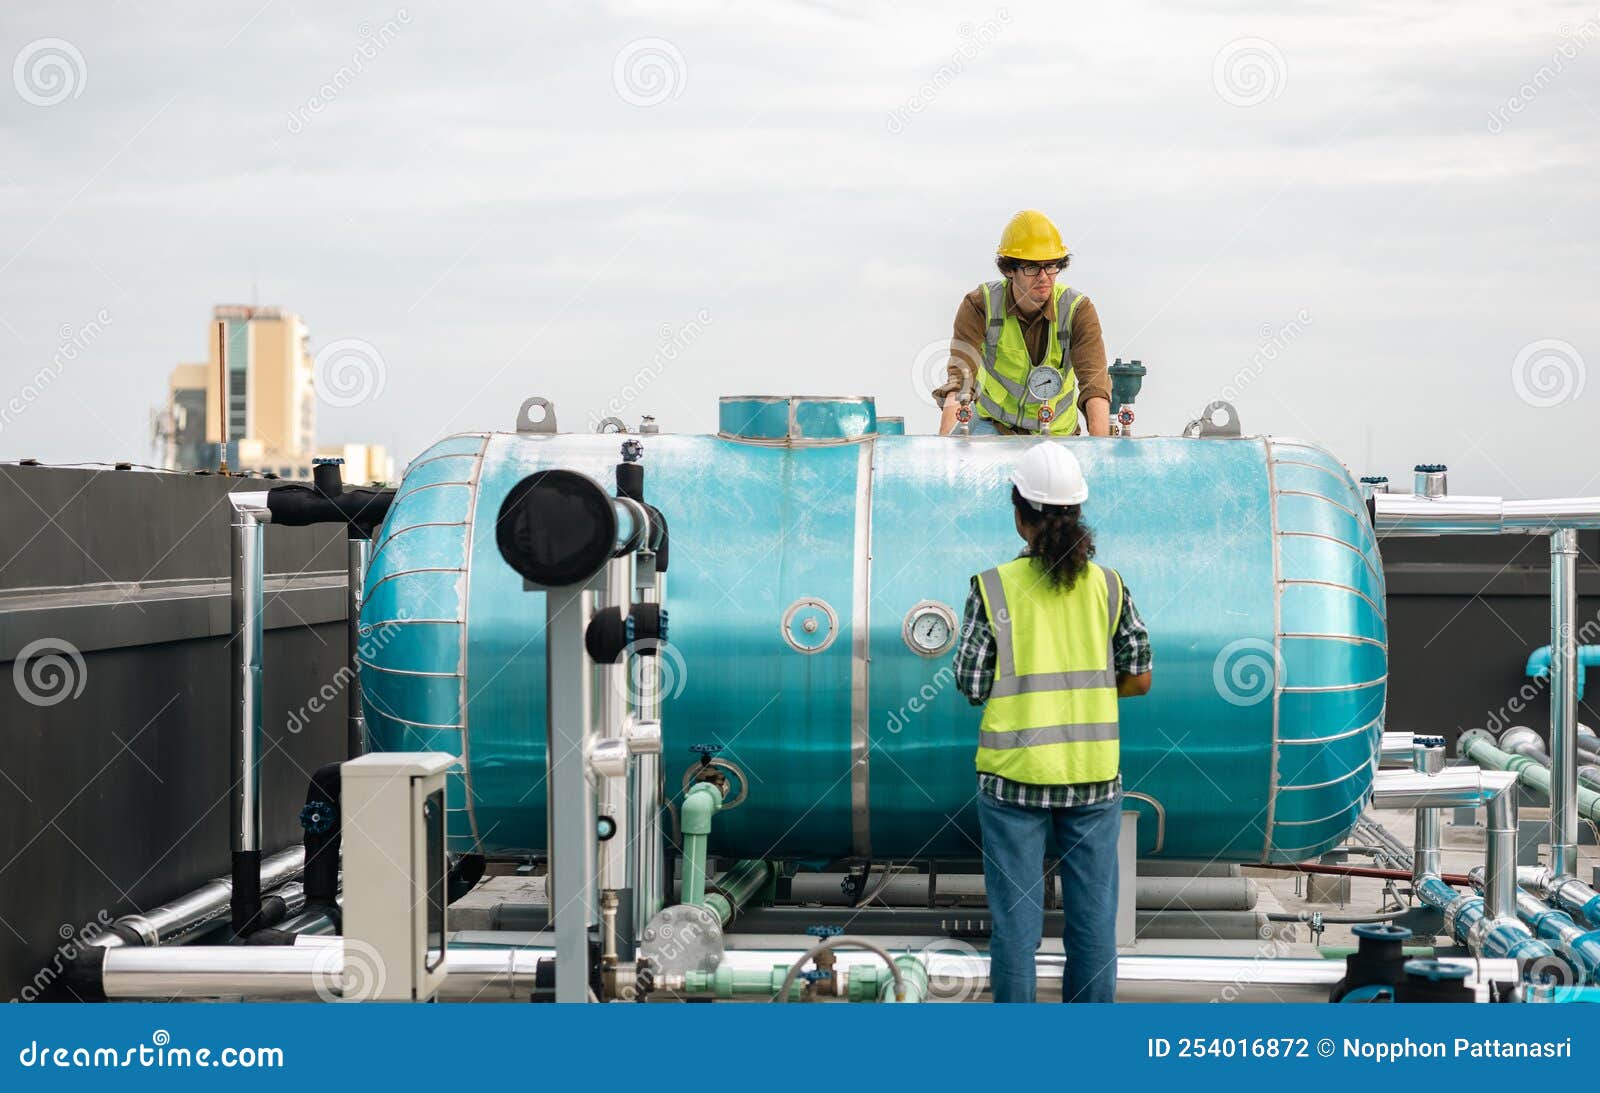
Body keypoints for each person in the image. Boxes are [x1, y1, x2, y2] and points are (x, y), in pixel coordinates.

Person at [952, 443, 1152, 1002]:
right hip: (1091, 780)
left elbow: (971, 685)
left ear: (1020, 514)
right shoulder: (1109, 587)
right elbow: (1139, 677)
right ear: (1077, 512)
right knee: (1092, 925)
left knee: (1016, 928)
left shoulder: (992, 588)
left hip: (1012, 779)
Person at [934, 209, 1112, 437]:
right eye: (1032, 267)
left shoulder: (1077, 310)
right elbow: (960, 381)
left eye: (1051, 265)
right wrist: (943, 451)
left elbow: (1094, 386)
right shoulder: (980, 305)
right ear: (1009, 269)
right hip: (997, 426)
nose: (1044, 276)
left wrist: (1101, 452)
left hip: (1057, 433)